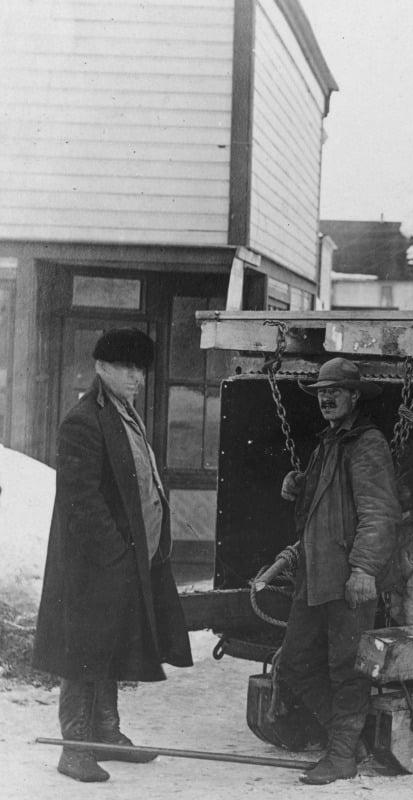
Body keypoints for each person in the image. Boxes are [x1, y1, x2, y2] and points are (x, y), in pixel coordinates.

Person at [33, 328, 193, 783]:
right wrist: (115, 555)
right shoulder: (85, 419)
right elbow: (80, 501)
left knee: (110, 646)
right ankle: (76, 746)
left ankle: (107, 733)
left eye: (141, 368)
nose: (137, 377)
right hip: (92, 566)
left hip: (126, 561)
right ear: (102, 368)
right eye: (127, 368)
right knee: (83, 652)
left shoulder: (125, 414)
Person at [269, 357, 401, 785]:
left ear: (355, 397)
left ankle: (342, 756)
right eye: (322, 392)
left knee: (346, 668)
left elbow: (379, 513)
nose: (326, 397)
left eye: (336, 391)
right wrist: (297, 484)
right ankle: (349, 742)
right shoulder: (330, 442)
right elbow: (327, 499)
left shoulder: (367, 444)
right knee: (295, 662)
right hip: (316, 575)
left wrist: (364, 569)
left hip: (347, 578)